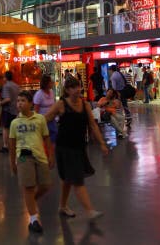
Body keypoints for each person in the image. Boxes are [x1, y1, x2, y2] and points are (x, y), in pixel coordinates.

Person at [44, 77, 108, 221]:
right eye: (73, 87)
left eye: (78, 86)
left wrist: (102, 143)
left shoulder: (85, 104)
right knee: (77, 179)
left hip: (79, 147)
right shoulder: (61, 104)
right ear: (67, 90)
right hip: (65, 148)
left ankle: (62, 206)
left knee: (68, 179)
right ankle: (90, 211)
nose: (77, 90)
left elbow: (92, 125)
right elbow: (46, 118)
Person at [9, 90, 54, 234]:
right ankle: (34, 219)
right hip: (23, 157)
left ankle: (30, 201)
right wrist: (12, 162)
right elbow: (12, 144)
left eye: (23, 101)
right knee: (28, 186)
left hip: (40, 156)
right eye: (18, 101)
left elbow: (46, 137)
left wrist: (51, 155)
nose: (19, 103)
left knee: (46, 185)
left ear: (30, 103)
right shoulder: (15, 123)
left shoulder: (40, 119)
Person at [0, 70, 20, 153]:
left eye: (4, 77)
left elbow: (7, 99)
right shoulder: (16, 86)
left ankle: (5, 146)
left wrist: (0, 103)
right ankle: (16, 145)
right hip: (16, 110)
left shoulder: (6, 86)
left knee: (5, 128)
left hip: (8, 110)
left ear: (5, 78)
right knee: (14, 128)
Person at [33, 74, 57, 143]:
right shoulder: (39, 94)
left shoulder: (51, 92)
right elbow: (36, 110)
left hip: (52, 119)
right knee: (45, 138)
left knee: (54, 136)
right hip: (43, 121)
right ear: (46, 83)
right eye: (51, 82)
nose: (52, 83)